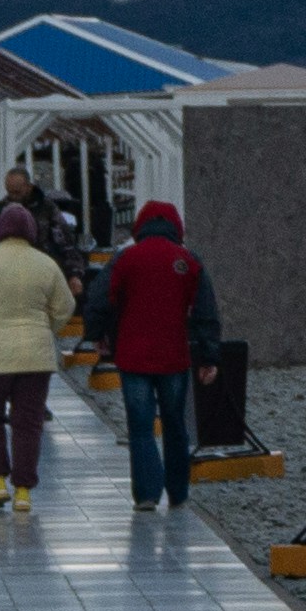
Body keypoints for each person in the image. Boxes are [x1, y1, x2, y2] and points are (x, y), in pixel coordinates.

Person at [98, 198, 221, 510]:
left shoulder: (125, 258)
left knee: (140, 426)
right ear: (175, 227)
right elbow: (206, 310)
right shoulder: (187, 259)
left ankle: (148, 494)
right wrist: (209, 356)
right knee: (174, 423)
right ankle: (178, 491)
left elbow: (102, 299)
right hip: (173, 357)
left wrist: (102, 336)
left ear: (140, 225)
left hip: (133, 356)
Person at [0, 200, 75, 510]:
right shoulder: (45, 264)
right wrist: (48, 327)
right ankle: (23, 490)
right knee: (28, 423)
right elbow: (65, 306)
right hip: (35, 356)